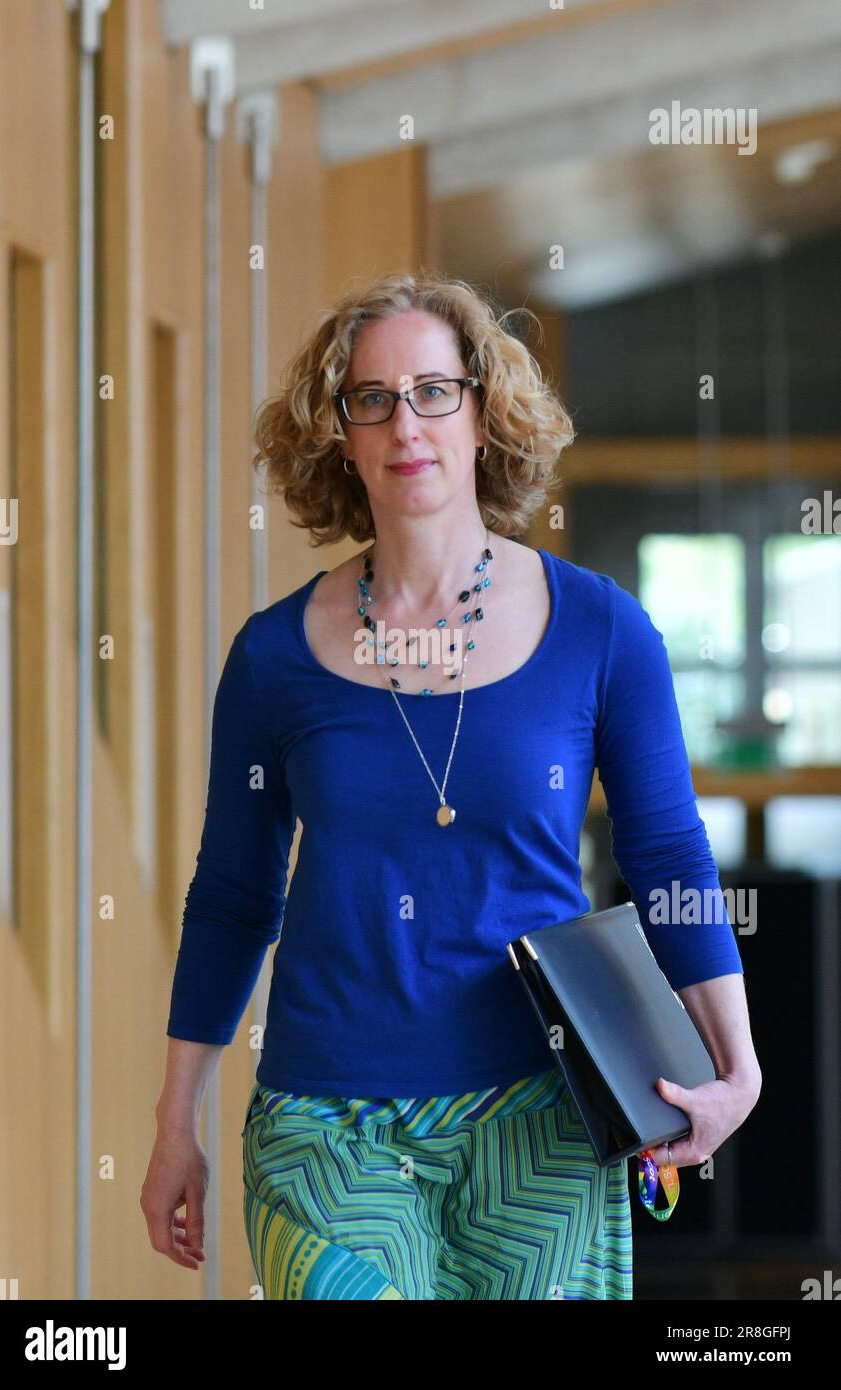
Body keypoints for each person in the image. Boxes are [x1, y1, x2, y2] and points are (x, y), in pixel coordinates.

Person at [140, 270, 762, 1299]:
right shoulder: (270, 658)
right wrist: (174, 1125)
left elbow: (667, 860)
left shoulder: (600, 629)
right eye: (370, 398)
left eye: (433, 389)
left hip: (546, 1115)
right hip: (323, 1124)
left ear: (482, 409)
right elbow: (232, 899)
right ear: (337, 432)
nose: (404, 423)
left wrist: (732, 1065)